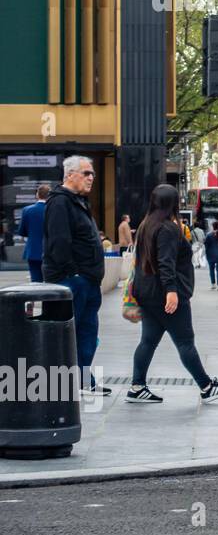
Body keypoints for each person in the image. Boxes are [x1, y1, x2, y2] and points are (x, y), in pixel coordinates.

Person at [125, 185, 218, 405]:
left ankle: (137, 387)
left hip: (148, 293)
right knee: (185, 342)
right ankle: (206, 386)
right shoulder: (166, 229)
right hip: (165, 295)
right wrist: (172, 292)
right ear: (172, 204)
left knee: (148, 341)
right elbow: (166, 263)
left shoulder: (147, 224)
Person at [42, 156, 109, 397]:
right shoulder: (60, 202)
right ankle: (62, 383)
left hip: (87, 281)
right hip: (73, 281)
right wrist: (75, 273)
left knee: (87, 332)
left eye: (92, 173)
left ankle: (83, 379)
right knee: (69, 333)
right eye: (86, 173)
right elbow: (59, 242)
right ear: (70, 175)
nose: (91, 177)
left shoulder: (77, 201)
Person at [18, 184, 50, 283]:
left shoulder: (27, 210)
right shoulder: (53, 209)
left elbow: (22, 231)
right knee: (51, 281)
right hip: (50, 251)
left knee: (35, 280)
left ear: (37, 195)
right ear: (49, 196)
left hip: (33, 250)